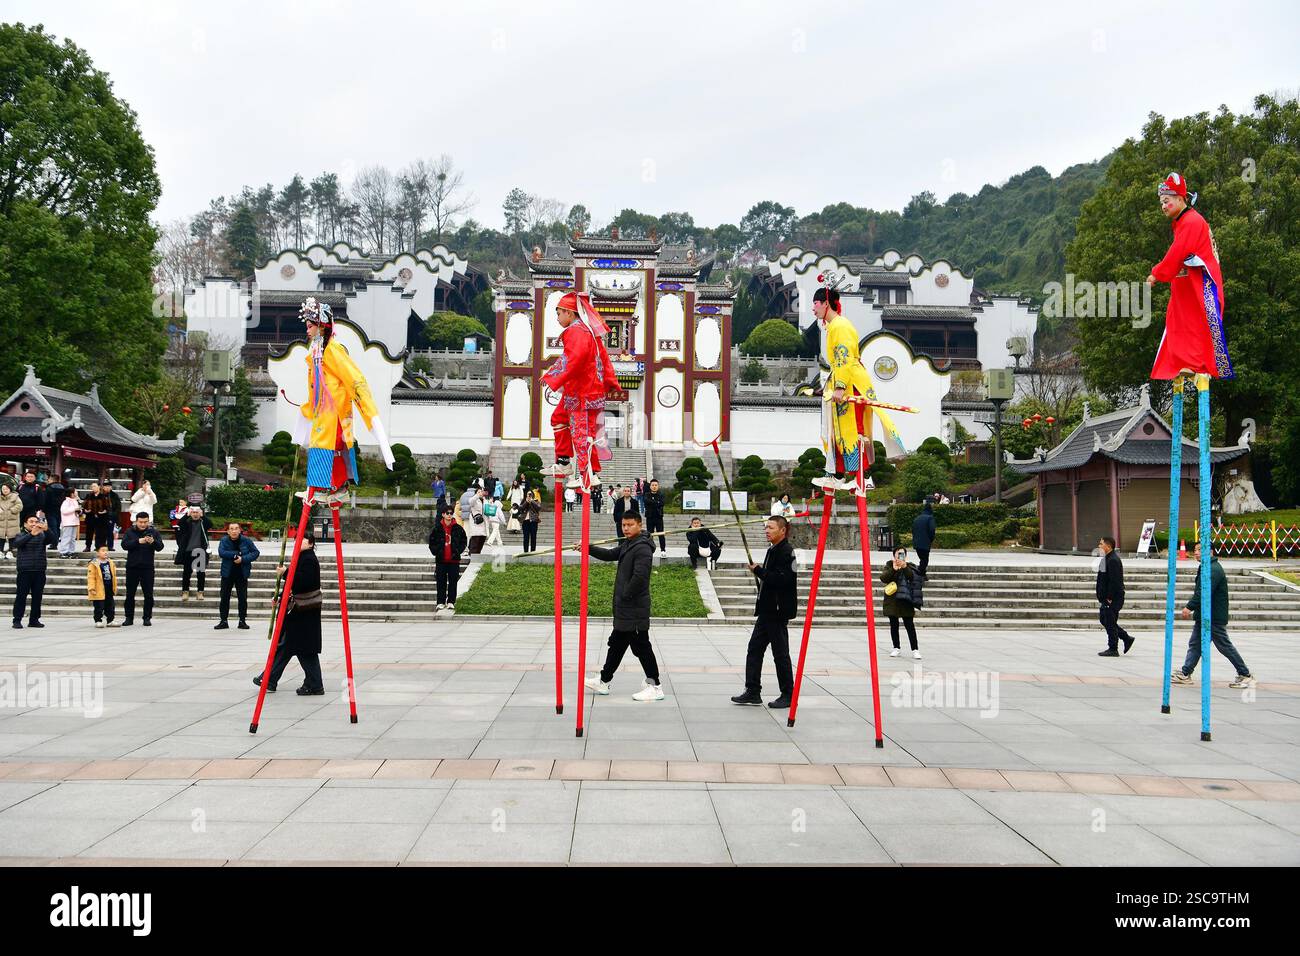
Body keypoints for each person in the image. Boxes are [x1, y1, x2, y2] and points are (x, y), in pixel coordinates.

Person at [293, 297, 395, 502]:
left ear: (322, 327)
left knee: (325, 446)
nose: (307, 330)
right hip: (324, 410)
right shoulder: (318, 350)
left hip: (334, 410)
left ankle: (322, 488)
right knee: (330, 448)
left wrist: (369, 410)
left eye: (310, 325)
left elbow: (355, 379)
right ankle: (334, 487)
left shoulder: (332, 350)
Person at [812, 284, 905, 491]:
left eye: (816, 304)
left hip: (851, 382)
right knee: (838, 430)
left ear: (826, 303)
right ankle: (837, 473)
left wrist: (840, 386)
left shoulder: (841, 326)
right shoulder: (833, 327)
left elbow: (844, 358)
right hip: (842, 381)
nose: (814, 309)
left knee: (854, 429)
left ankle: (860, 474)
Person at [1147, 172, 1233, 380]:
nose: (1163, 206)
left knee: (1194, 322)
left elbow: (1178, 252)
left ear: (1180, 198)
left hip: (1201, 281)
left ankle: (1195, 363)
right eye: (1161, 203)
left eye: (1166, 201)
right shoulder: (1184, 222)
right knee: (1178, 320)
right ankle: (1185, 363)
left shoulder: (1192, 222)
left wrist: (1156, 273)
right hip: (1188, 280)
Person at [583, 511, 664, 701]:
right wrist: (588, 548)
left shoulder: (642, 548)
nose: (626, 528)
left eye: (630, 525)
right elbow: (610, 554)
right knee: (617, 645)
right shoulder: (629, 543)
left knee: (642, 647)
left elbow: (640, 578)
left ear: (639, 524)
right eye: (623, 525)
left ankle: (656, 686)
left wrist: (625, 596)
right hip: (625, 609)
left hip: (634, 609)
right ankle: (603, 681)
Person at [543, 291, 618, 487]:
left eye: (559, 313)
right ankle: (566, 463)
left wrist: (552, 375)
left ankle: (586, 474)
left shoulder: (575, 331)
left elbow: (573, 359)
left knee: (581, 431)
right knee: (560, 419)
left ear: (569, 312)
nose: (558, 318)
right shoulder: (587, 331)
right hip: (589, 390)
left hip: (581, 392)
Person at [731, 515, 798, 707]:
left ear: (782, 530)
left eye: (770, 527)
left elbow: (784, 580)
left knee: (780, 653)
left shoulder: (787, 552)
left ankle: (788, 694)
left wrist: (759, 571)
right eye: (765, 527)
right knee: (754, 649)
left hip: (777, 611)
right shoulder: (773, 549)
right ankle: (752, 690)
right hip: (767, 610)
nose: (766, 531)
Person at [1171, 540, 1255, 688]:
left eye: (1199, 550)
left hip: (1213, 616)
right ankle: (1185, 673)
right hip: (1205, 615)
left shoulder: (1212, 569)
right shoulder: (1207, 567)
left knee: (1224, 646)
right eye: (1195, 550)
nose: (1196, 553)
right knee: (1196, 644)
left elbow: (1204, 591)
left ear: (1210, 552)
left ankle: (1245, 674)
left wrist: (1189, 607)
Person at [255, 534, 326, 696]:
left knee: (298, 648)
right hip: (299, 612)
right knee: (296, 648)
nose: (298, 542)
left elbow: (303, 582)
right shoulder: (301, 557)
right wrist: (280, 597)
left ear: (310, 544)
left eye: (302, 540)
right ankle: (271, 679)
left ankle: (271, 679)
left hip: (303, 612)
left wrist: (286, 572)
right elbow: (292, 586)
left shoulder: (309, 559)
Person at [121, 511, 165, 627]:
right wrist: (137, 541)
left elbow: (160, 547)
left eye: (145, 522)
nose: (143, 524)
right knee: (130, 594)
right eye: (141, 522)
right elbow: (124, 545)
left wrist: (153, 542)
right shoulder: (130, 531)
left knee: (148, 594)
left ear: (148, 521)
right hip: (132, 567)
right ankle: (129, 617)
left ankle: (147, 617)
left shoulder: (153, 532)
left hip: (147, 567)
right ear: (136, 521)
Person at [11, 513, 55, 628]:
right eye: (31, 522)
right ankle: (17, 619)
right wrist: (31, 534)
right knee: (21, 596)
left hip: (39, 570)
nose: (34, 524)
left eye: (36, 522)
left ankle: (34, 620)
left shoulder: (42, 535)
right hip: (25, 570)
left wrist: (47, 530)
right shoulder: (20, 535)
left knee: (37, 596)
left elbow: (53, 540)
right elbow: (17, 544)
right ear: (25, 523)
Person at [215, 521, 260, 630]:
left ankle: (242, 621)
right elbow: (222, 552)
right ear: (228, 531)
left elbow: (256, 552)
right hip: (227, 573)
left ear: (240, 530)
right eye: (232, 529)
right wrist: (236, 554)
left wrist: (243, 559)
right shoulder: (224, 540)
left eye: (236, 529)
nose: (234, 531)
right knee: (224, 597)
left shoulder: (246, 541)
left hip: (242, 573)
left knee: (242, 598)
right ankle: (223, 620)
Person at [1095, 536, 1133, 656]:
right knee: (1104, 619)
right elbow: (1101, 579)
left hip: (1113, 598)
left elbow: (1115, 581)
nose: (1099, 546)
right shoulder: (1105, 559)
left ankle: (1113, 648)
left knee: (1110, 622)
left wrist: (1109, 597)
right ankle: (1126, 638)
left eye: (1101, 544)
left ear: (1108, 546)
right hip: (1105, 597)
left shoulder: (1113, 560)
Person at [881, 545, 921, 659]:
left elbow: (912, 577)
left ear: (906, 556)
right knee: (894, 624)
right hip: (892, 600)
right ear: (894, 555)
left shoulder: (910, 566)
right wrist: (894, 569)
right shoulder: (889, 565)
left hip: (906, 599)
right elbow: (883, 578)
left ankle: (915, 649)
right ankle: (896, 647)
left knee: (909, 625)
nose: (900, 556)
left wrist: (904, 567)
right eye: (898, 554)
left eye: (902, 554)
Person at [428, 508, 468, 612]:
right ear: (443, 514)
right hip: (441, 560)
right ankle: (440, 602)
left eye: (451, 513)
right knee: (441, 581)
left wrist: (458, 550)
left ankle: (451, 601)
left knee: (453, 581)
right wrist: (437, 551)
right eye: (447, 513)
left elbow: (464, 541)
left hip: (454, 560)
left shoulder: (458, 528)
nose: (449, 515)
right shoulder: (437, 528)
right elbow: (431, 542)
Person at [175, 504, 212, 601]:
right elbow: (180, 523)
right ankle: (185, 591)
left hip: (200, 551)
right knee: (187, 573)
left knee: (201, 573)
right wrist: (187, 515)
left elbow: (210, 524)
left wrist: (203, 515)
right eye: (193, 512)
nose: (195, 514)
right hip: (188, 551)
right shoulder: (187, 522)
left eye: (197, 512)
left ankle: (200, 592)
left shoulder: (203, 523)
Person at [85, 544, 119, 628]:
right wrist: (91, 588)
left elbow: (113, 575)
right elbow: (91, 577)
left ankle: (110, 620)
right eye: (103, 550)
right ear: (97, 553)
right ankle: (98, 620)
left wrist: (114, 586)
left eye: (106, 550)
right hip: (99, 588)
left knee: (110, 605)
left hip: (109, 587)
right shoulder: (94, 564)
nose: (105, 552)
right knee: (99, 606)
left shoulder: (110, 562)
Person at [911, 498, 936, 576]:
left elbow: (913, 530)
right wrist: (931, 539)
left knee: (922, 559)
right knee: (925, 560)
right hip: (925, 543)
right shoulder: (930, 518)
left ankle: (922, 574)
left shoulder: (917, 518)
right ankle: (919, 574)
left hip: (916, 543)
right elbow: (932, 530)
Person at [43, 473, 66, 548]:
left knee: (52, 527)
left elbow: (45, 500)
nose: (48, 480)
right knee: (57, 526)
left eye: (49, 479)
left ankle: (53, 543)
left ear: (52, 479)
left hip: (50, 510)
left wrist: (43, 509)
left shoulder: (49, 488)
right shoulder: (63, 488)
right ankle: (55, 542)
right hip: (60, 510)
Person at [643, 478, 666, 554]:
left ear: (658, 486)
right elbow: (646, 502)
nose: (654, 486)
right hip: (650, 517)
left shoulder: (661, 495)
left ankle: (663, 550)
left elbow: (662, 503)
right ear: (650, 486)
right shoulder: (647, 494)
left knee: (661, 534)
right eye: (652, 485)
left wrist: (653, 502)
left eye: (656, 485)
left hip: (659, 517)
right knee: (650, 535)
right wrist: (657, 502)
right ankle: (650, 550)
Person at [81, 481, 104, 551]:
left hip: (100, 517)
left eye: (94, 486)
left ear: (99, 487)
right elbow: (84, 505)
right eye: (92, 487)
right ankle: (88, 546)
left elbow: (107, 506)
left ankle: (98, 546)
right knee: (89, 533)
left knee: (99, 533)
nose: (93, 488)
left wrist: (104, 511)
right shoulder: (89, 496)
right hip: (90, 517)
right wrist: (85, 510)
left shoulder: (102, 496)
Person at [0, 483, 21, 560]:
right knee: (1, 537)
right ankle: (1, 551)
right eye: (3, 489)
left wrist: (11, 510)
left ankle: (10, 551)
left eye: (6, 489)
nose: (5, 490)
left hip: (12, 520)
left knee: (12, 537)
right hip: (1, 520)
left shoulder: (15, 497)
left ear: (10, 489)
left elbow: (19, 506)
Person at [58, 488, 81, 557]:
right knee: (66, 537)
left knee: (72, 538)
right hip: (67, 522)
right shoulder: (66, 501)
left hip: (74, 521)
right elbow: (64, 511)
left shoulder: (75, 501)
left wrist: (79, 511)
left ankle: (71, 551)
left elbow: (77, 510)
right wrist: (74, 509)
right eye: (75, 491)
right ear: (72, 493)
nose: (76, 493)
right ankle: (64, 551)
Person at [466, 487, 488, 555]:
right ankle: (472, 554)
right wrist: (477, 495)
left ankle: (477, 555)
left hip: (483, 522)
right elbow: (470, 502)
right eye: (479, 492)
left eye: (481, 491)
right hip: (476, 523)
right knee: (476, 538)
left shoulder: (485, 500)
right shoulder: (474, 499)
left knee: (482, 538)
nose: (481, 493)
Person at [102, 480, 122, 550]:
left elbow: (118, 506)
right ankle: (101, 546)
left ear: (111, 487)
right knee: (101, 532)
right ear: (103, 487)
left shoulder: (114, 495)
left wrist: (114, 514)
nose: (107, 488)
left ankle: (110, 546)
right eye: (106, 486)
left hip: (111, 516)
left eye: (109, 486)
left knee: (110, 532)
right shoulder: (101, 495)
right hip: (102, 516)